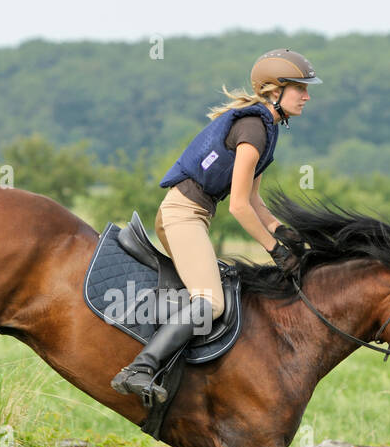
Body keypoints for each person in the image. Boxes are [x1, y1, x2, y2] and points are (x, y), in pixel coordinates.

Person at [110, 48, 320, 404]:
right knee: (211, 303)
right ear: (274, 90)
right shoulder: (254, 129)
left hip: (191, 214)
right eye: (299, 87)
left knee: (207, 294)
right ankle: (140, 369)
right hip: (184, 214)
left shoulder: (264, 129)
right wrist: (274, 251)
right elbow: (237, 206)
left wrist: (280, 231)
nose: (307, 95)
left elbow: (254, 200)